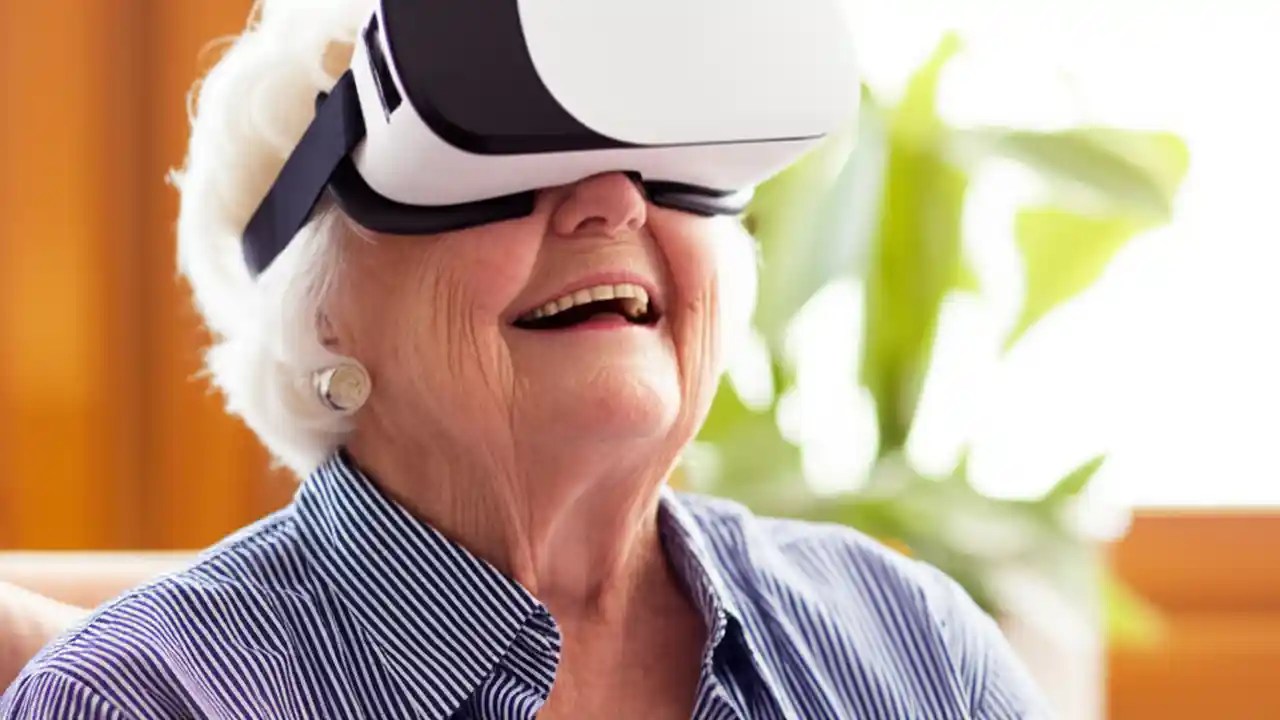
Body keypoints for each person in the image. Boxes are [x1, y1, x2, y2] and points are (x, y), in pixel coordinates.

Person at [1, 0, 1048, 717]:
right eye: (496, 149)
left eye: (667, 160)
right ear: (318, 305)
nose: (611, 200)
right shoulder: (143, 697)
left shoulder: (914, 649)